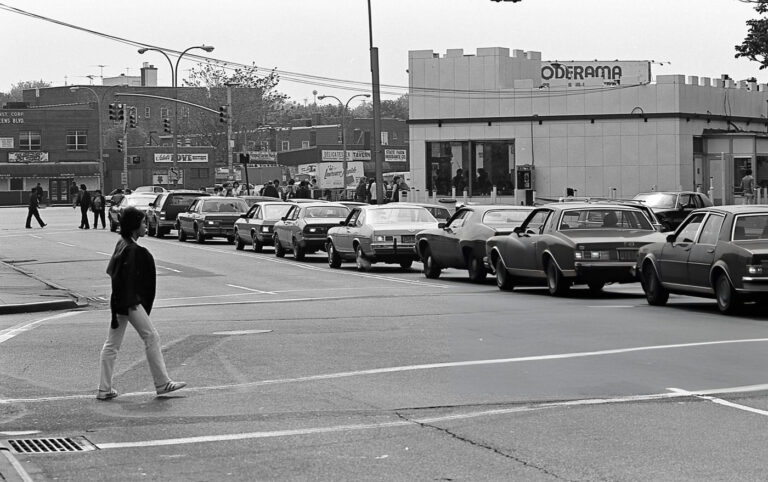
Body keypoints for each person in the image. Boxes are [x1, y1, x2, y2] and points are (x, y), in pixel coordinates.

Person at [98, 206, 186, 401]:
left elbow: (113, 273)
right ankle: (162, 383)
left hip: (119, 301)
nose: (146, 225)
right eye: (143, 222)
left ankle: (104, 388)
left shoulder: (122, 244)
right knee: (151, 337)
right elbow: (132, 281)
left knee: (112, 344)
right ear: (135, 226)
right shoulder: (133, 250)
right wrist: (135, 304)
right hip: (130, 302)